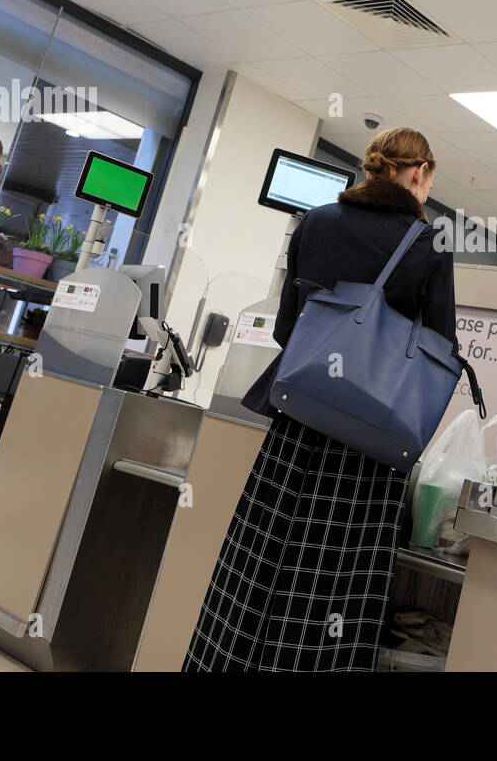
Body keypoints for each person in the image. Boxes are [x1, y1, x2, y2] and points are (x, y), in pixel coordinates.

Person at [185, 127, 456, 672]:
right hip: (370, 447)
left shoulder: (316, 222)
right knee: (335, 584)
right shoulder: (428, 243)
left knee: (259, 559)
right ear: (420, 174)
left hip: (298, 422)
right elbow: (438, 347)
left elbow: (288, 327)